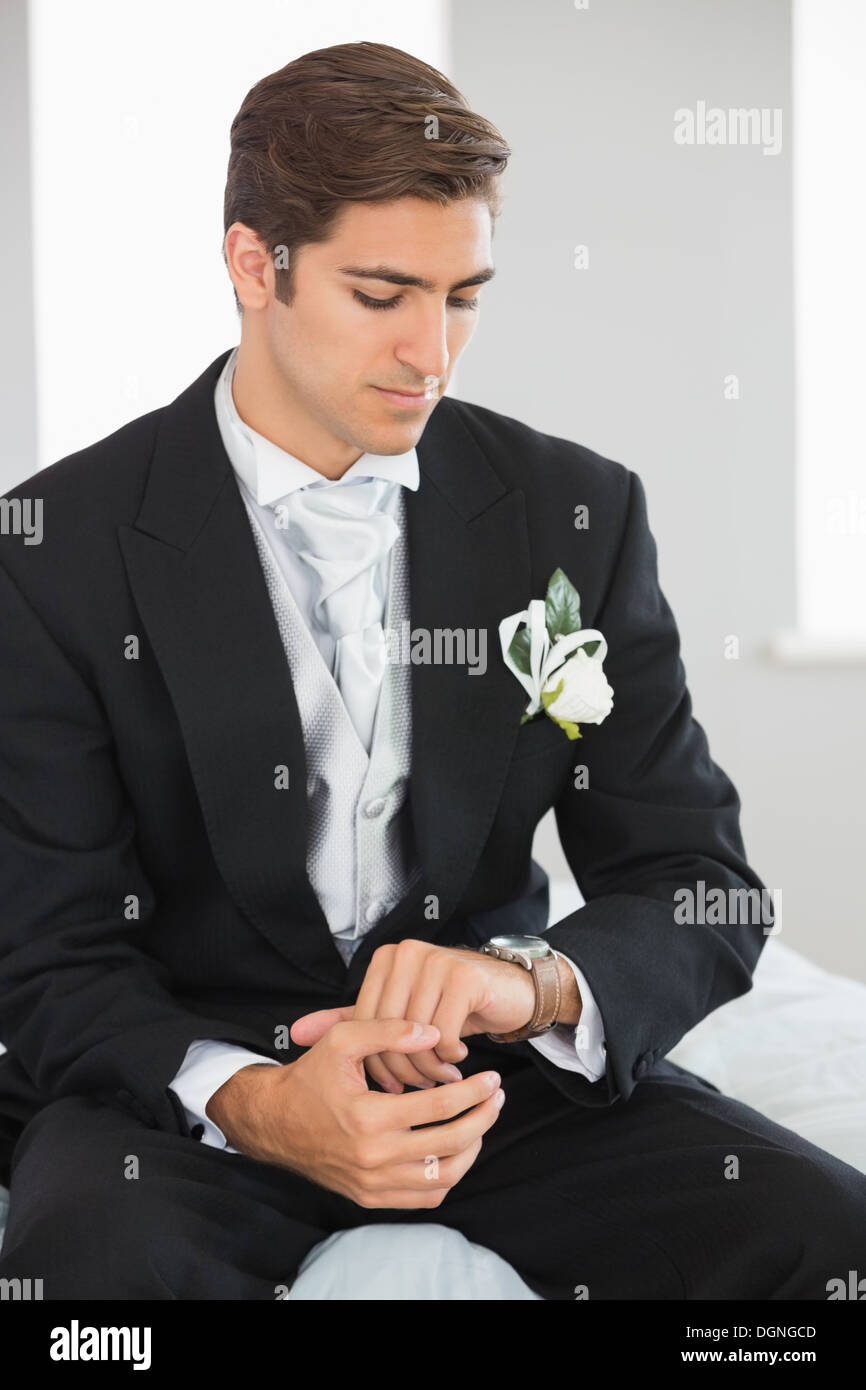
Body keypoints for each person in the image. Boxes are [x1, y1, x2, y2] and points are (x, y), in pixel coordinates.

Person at [0, 40, 863, 1301]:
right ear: (255, 264)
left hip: (489, 1084)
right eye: (382, 293)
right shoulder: (53, 548)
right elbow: (49, 955)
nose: (433, 353)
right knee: (87, 1286)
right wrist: (254, 1099)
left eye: (462, 296)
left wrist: (525, 982)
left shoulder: (574, 513)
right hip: (188, 1096)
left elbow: (699, 881)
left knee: (823, 1237)